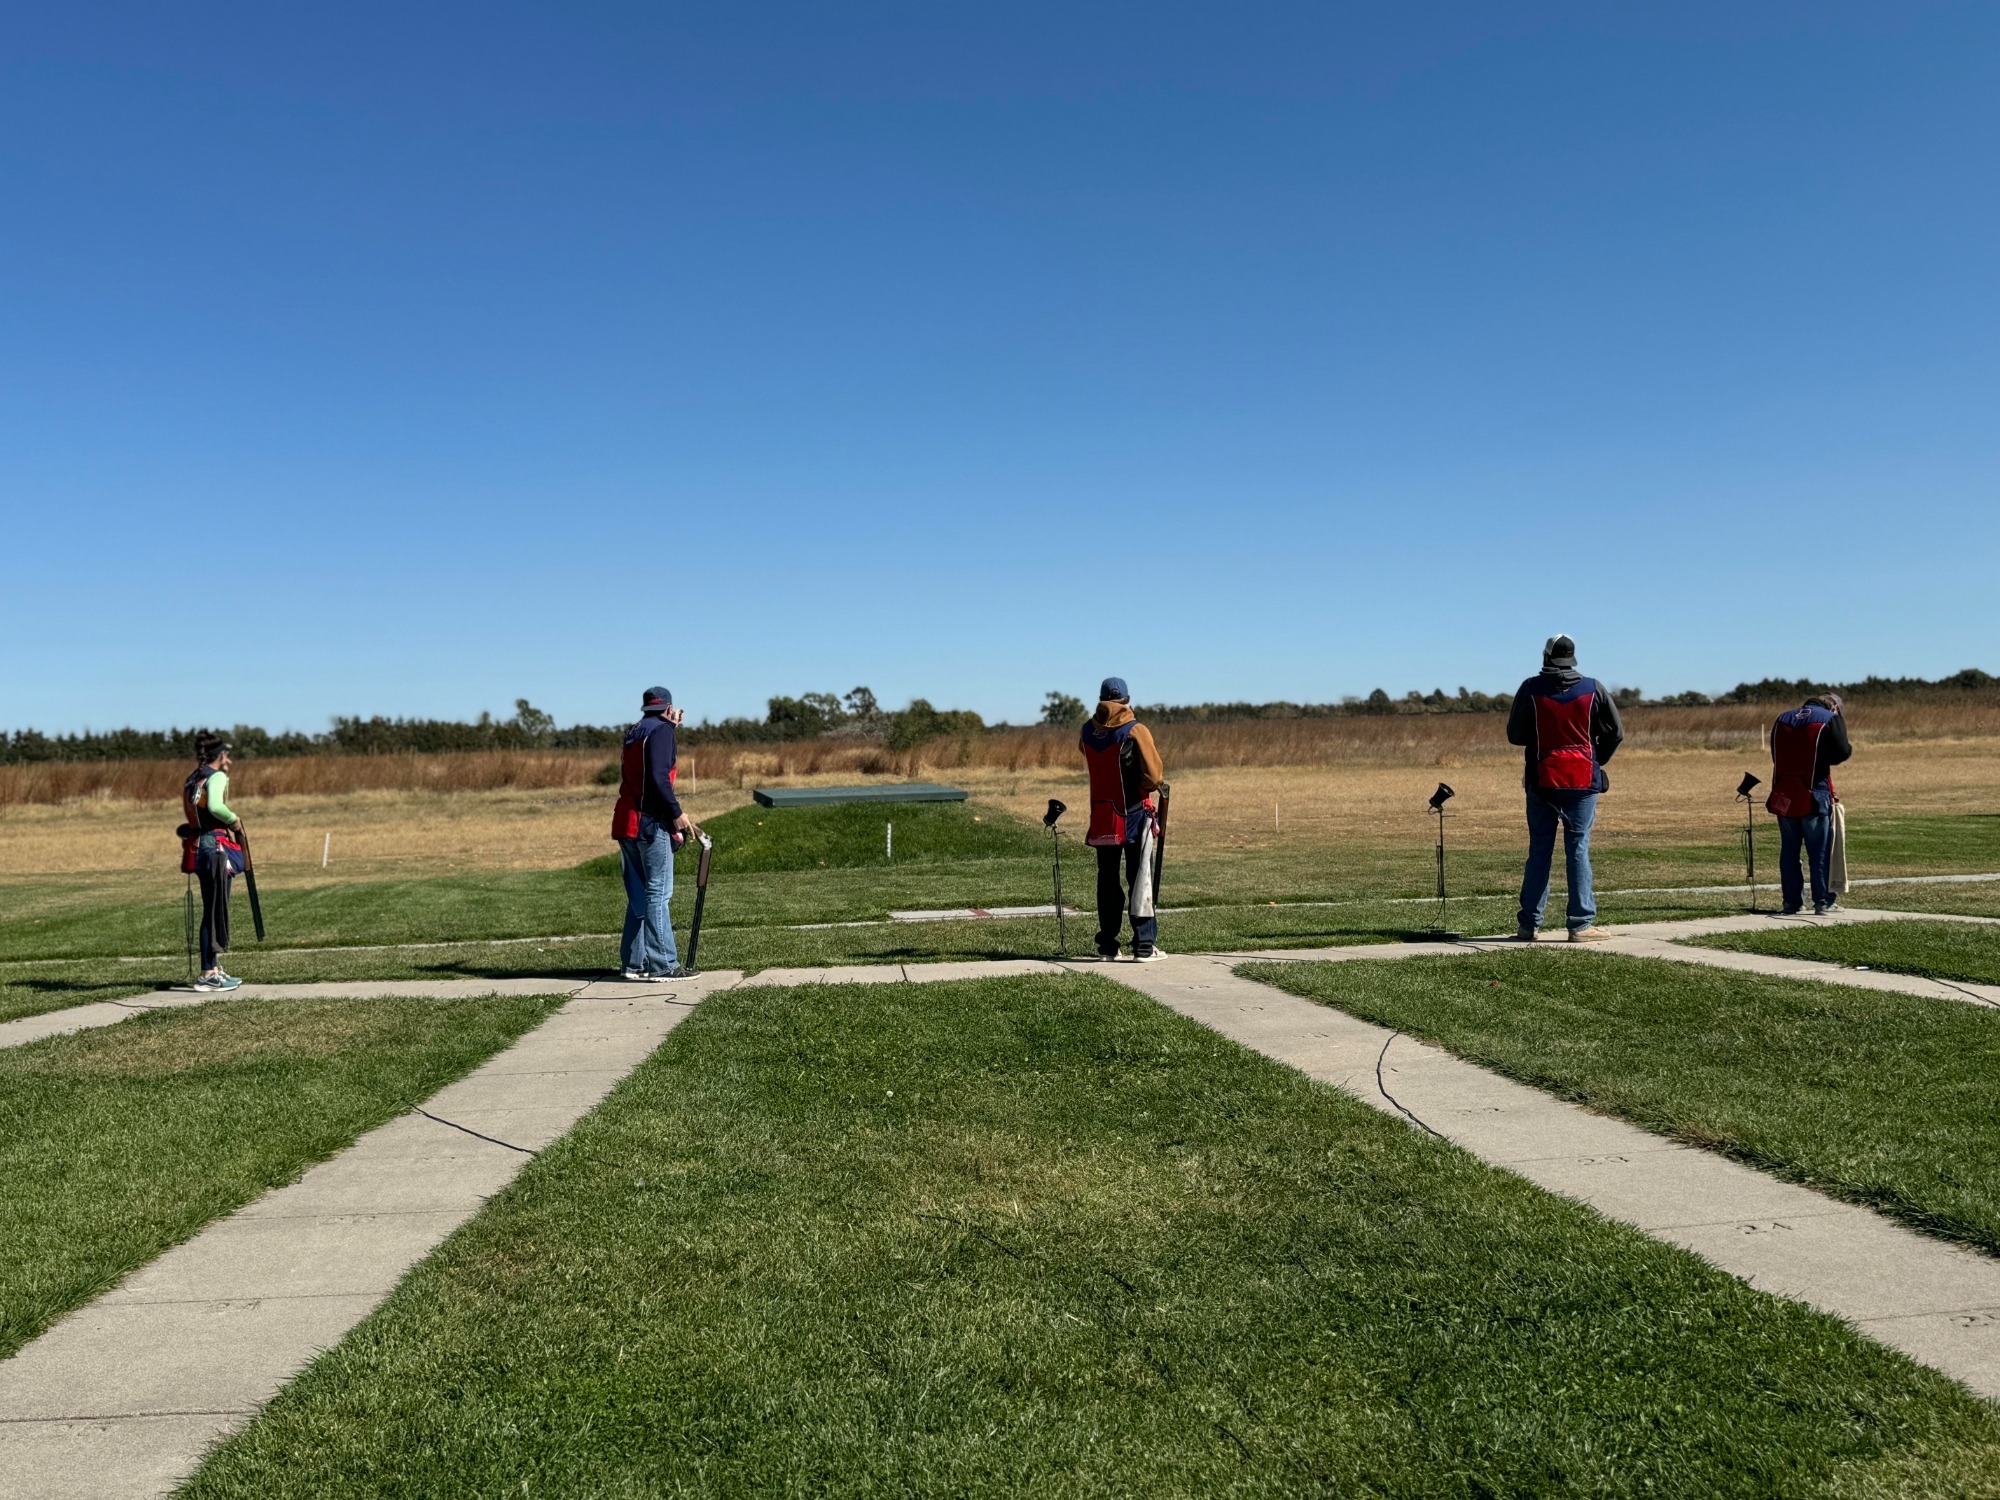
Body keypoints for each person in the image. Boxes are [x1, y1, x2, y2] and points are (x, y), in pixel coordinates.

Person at [1507, 634, 1625, 942]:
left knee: (1539, 851)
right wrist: (1596, 759)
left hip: (1541, 781)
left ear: (1546, 657)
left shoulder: (1530, 689)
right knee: (1578, 848)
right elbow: (1616, 732)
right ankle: (1580, 924)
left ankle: (1529, 924)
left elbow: (1515, 735)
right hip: (1583, 781)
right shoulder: (1593, 688)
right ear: (1572, 659)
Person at [1079, 677, 1167, 962]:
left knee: (1107, 881)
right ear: (1127, 700)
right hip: (1134, 813)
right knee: (1140, 879)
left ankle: (1107, 946)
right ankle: (1144, 945)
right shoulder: (1136, 730)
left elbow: (1087, 751)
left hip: (1102, 813)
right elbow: (1155, 778)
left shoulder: (1086, 731)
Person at [609, 686, 695, 980]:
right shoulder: (662, 732)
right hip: (650, 823)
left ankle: (634, 963)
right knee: (658, 892)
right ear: (669, 708)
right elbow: (659, 778)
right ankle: (664, 964)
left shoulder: (635, 730)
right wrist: (676, 814)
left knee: (640, 894)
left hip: (627, 820)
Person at [1766, 692, 1852, 915]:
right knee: (1819, 851)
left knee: (1789, 851)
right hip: (1815, 792)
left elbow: (1777, 754)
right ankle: (1823, 901)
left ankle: (1791, 902)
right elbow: (1843, 750)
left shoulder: (1782, 718)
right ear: (1834, 706)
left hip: (1784, 793)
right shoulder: (1829, 718)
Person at [180, 733, 245, 991]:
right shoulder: (217, 776)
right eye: (226, 753)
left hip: (198, 847)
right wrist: (234, 820)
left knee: (212, 908)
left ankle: (213, 968)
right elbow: (216, 807)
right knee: (214, 910)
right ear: (221, 755)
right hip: (214, 846)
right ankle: (208, 972)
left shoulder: (192, 778)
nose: (229, 758)